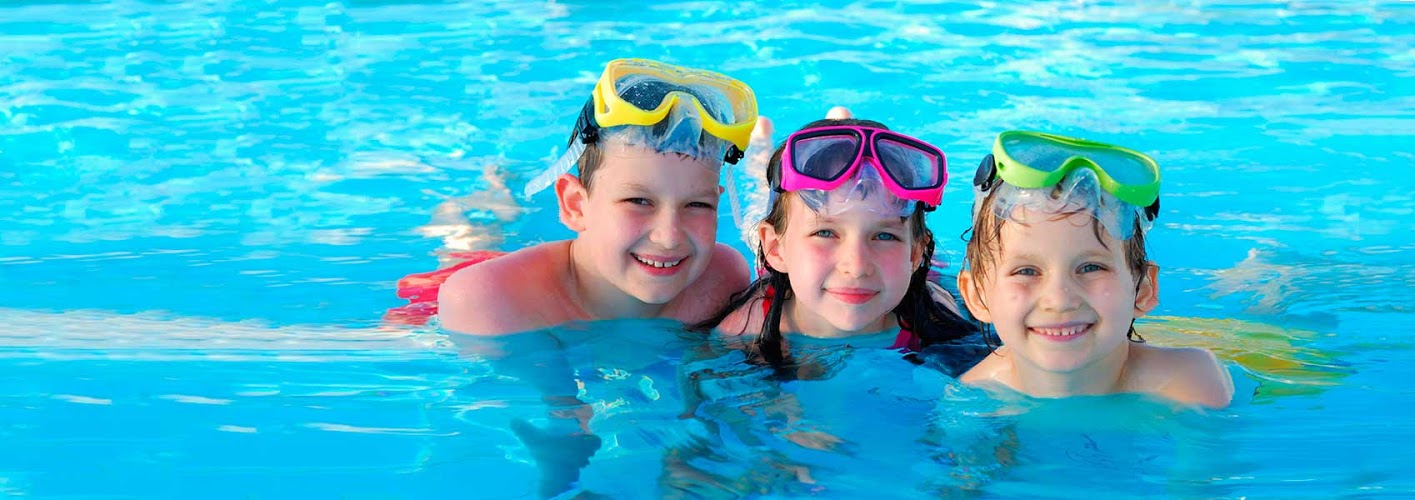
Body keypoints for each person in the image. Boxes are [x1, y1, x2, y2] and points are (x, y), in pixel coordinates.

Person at [437, 58, 755, 335]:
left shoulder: (721, 281)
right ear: (575, 204)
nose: (669, 237)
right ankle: (487, 201)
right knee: (468, 246)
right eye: (639, 201)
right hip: (457, 290)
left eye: (697, 204)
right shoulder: (492, 300)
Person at [955, 131, 1233, 408]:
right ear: (977, 294)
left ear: (1143, 290)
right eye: (1026, 271)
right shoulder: (973, 400)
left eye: (1090, 267)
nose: (1060, 300)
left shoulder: (1187, 381)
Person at [692, 117, 979, 371]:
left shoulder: (933, 314)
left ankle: (842, 133)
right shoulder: (750, 326)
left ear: (915, 253)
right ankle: (759, 153)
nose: (856, 267)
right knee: (758, 210)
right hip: (781, 277)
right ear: (777, 249)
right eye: (826, 233)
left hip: (919, 278)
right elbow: (698, 389)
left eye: (884, 235)